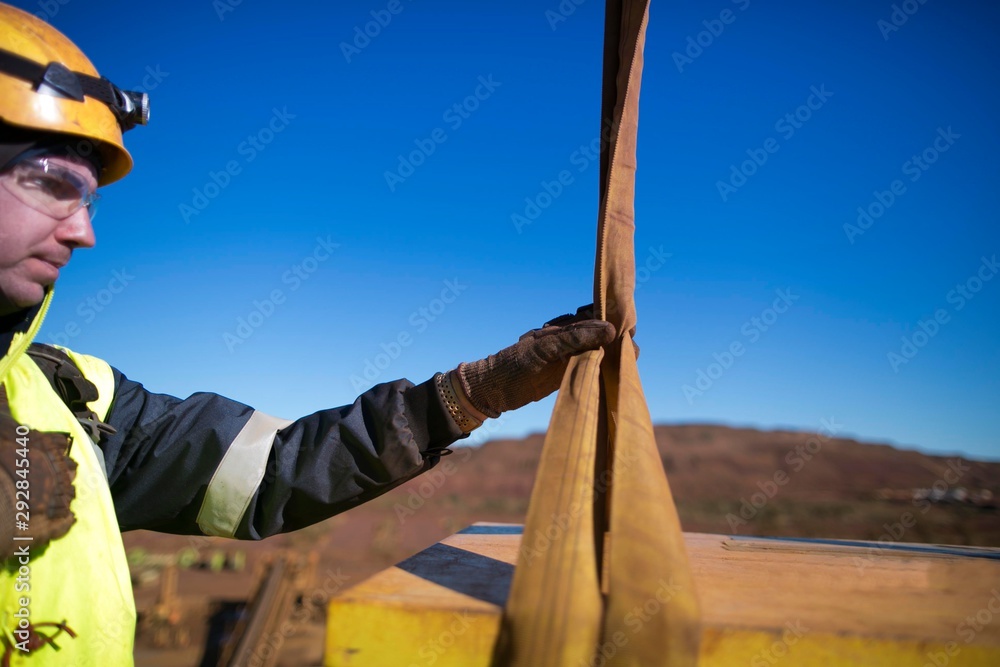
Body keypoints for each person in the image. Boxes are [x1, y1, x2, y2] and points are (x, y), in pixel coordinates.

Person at [0, 4, 615, 665]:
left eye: (88, 198)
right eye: (52, 184)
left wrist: (475, 391)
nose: (83, 232)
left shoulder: (75, 396)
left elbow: (267, 473)